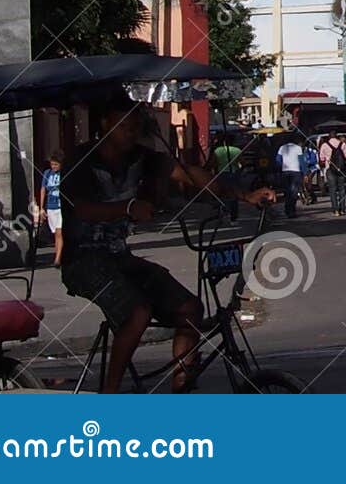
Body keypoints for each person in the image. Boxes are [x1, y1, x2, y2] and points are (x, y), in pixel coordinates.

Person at [59, 100, 273, 393]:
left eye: (136, 127)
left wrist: (243, 195)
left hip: (120, 258)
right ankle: (108, 395)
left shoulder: (142, 157)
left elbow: (188, 173)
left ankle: (181, 387)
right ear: (106, 124)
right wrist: (129, 207)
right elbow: (81, 210)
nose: (132, 133)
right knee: (138, 312)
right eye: (125, 126)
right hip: (82, 261)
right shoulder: (81, 161)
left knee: (190, 307)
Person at [35, 152, 65, 263]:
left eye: (56, 164)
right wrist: (41, 207)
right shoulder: (47, 173)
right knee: (55, 233)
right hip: (50, 206)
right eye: (52, 164)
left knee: (59, 232)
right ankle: (59, 255)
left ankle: (57, 258)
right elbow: (43, 190)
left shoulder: (64, 173)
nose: (54, 167)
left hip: (60, 206)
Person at [275, 133, 306, 217]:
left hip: (285, 172)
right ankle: (292, 210)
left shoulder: (282, 148)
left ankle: (287, 209)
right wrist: (305, 173)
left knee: (287, 191)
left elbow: (278, 160)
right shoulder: (298, 148)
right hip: (296, 172)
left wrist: (279, 169)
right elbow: (302, 161)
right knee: (294, 192)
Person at [322, 132, 346, 214]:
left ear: (329, 136)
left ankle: (335, 210)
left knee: (332, 189)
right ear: (336, 136)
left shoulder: (324, 145)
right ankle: (342, 209)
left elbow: (321, 159)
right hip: (341, 169)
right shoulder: (342, 144)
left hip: (330, 169)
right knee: (342, 189)